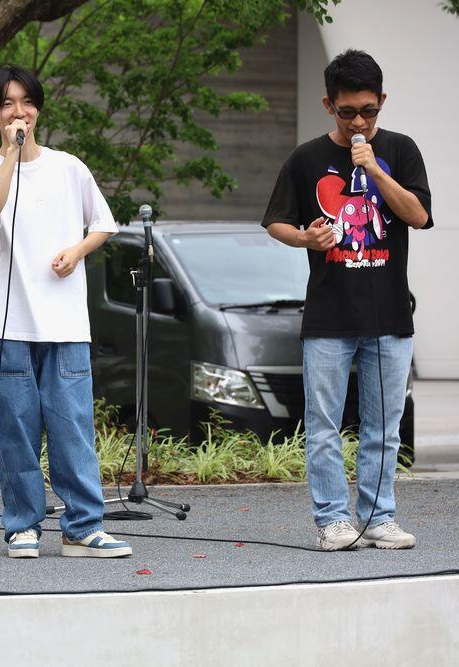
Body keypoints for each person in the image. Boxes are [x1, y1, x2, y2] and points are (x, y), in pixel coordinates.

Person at [263, 49, 432, 550]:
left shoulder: (400, 150)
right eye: (347, 112)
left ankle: (380, 518)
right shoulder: (306, 158)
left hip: (388, 314)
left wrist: (376, 171)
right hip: (329, 316)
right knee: (323, 428)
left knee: (385, 427)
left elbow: (420, 216)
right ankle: (333, 519)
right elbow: (276, 220)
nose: (359, 121)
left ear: (382, 102)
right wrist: (304, 240)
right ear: (328, 104)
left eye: (369, 110)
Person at [0, 65, 131, 559]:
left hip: (66, 325)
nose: (20, 112)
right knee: (14, 431)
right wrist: (12, 155)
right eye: (8, 104)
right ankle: (22, 525)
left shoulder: (69, 166)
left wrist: (76, 252)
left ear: (38, 107)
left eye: (26, 102)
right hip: (8, 326)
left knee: (73, 428)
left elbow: (103, 224)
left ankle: (83, 527)